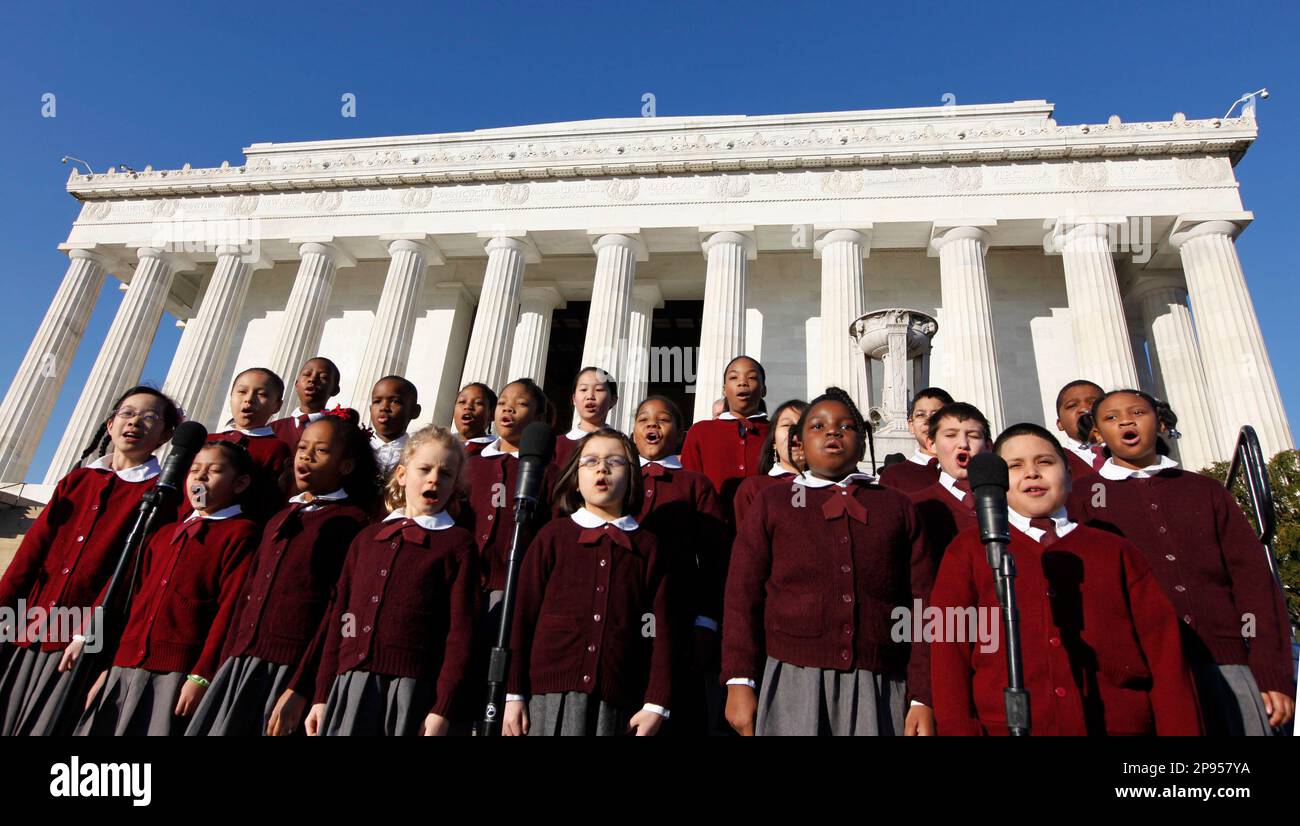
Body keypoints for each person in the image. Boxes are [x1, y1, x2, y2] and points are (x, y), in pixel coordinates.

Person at [929, 422, 1201, 735]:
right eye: (1015, 466)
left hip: (1116, 723)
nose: (1032, 473)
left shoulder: (1115, 549)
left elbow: (1164, 651)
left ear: (1070, 476)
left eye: (1044, 462)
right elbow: (948, 645)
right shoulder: (967, 550)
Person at [1070, 389, 1295, 735]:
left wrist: (1270, 673)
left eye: (1138, 413)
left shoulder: (1206, 491)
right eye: (1111, 417)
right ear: (1097, 434)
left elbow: (1253, 582)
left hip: (1227, 667)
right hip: (1141, 674)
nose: (1126, 421)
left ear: (1159, 423)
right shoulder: (1082, 497)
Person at [723, 387, 934, 736]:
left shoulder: (896, 506)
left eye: (846, 426)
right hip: (792, 678)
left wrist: (922, 695)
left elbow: (924, 604)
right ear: (799, 444)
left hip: (881, 682)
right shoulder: (772, 502)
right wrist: (738, 678)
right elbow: (741, 594)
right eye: (817, 427)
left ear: (864, 442)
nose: (833, 432)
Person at [0, 386, 181, 736]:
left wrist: (88, 632)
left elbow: (131, 572)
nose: (136, 423)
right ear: (110, 424)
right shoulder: (78, 481)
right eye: (127, 414)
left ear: (166, 434)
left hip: (81, 637)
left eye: (150, 418)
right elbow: (31, 553)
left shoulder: (161, 496)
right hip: (28, 624)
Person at [186, 410, 375, 736]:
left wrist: (303, 687)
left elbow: (336, 612)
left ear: (346, 465)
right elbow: (246, 596)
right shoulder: (281, 516)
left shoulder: (353, 523)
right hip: (239, 662)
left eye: (322, 451)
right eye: (302, 448)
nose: (307, 456)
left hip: (290, 671)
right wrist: (224, 663)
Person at [303, 426, 477, 736]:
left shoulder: (457, 544)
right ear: (401, 474)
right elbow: (342, 618)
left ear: (455, 486)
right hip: (350, 682)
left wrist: (442, 706)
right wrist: (322, 694)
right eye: (424, 469)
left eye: (446, 473)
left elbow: (459, 631)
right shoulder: (367, 538)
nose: (434, 478)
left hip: (410, 690)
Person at [76, 441, 258, 735]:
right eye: (194, 470)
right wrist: (108, 666)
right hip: (124, 664)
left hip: (175, 673)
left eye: (214, 471)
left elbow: (229, 611)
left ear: (240, 483)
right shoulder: (164, 534)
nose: (200, 478)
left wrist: (201, 675)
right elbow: (133, 602)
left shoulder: (239, 534)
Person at [504, 428, 673, 736]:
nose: (602, 468)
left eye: (615, 461)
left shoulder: (648, 547)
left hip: (617, 701)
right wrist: (513, 692)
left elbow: (659, 628)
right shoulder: (552, 537)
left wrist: (655, 703)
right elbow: (522, 617)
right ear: (575, 477)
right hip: (548, 697)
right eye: (591, 461)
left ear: (633, 475)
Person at [632, 395, 729, 734]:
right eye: (643, 419)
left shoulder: (695, 485)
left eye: (663, 419)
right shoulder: (617, 479)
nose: (651, 425)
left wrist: (707, 621)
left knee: (677, 710)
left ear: (681, 433)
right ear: (632, 432)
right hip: (623, 615)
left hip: (679, 619)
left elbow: (715, 560)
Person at [680, 355, 770, 516]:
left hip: (764, 525)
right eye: (734, 377)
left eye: (751, 377)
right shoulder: (700, 432)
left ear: (763, 389)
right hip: (711, 528)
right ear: (724, 389)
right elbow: (688, 484)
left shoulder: (775, 432)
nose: (742, 382)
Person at [908, 402, 990, 564]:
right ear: (932, 445)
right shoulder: (915, 506)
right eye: (951, 435)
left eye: (973, 436)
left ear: (988, 446)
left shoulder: (1010, 503)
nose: (963, 444)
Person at [208, 367, 292, 521]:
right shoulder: (207, 440)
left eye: (261, 394)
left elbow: (267, 502)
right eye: (242, 392)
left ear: (277, 406)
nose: (249, 399)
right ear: (231, 396)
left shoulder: (275, 449)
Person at [732, 399, 806, 526]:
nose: (794, 431)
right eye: (787, 425)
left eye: (803, 425)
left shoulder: (831, 488)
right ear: (774, 442)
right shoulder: (753, 488)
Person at [878, 387, 953, 493]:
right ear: (911, 424)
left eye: (936, 414)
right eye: (920, 415)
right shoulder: (894, 476)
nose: (928, 420)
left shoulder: (967, 471)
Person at [270, 357, 341, 453]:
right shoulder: (273, 429)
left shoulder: (338, 431)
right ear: (296, 384)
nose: (312, 379)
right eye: (307, 374)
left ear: (335, 390)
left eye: (323, 377)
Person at [553, 367, 619, 469]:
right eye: (583, 389)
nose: (590, 396)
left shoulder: (622, 444)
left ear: (613, 400)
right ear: (574, 399)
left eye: (599, 389)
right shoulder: (556, 445)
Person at [368, 375, 421, 478]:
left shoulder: (417, 454)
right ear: (370, 409)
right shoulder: (355, 446)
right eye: (377, 401)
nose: (383, 407)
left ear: (415, 411)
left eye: (395, 401)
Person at [1054, 379, 1105, 479]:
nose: (1084, 409)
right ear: (1060, 424)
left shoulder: (1133, 453)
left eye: (1093, 403)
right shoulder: (1056, 461)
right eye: (1072, 405)